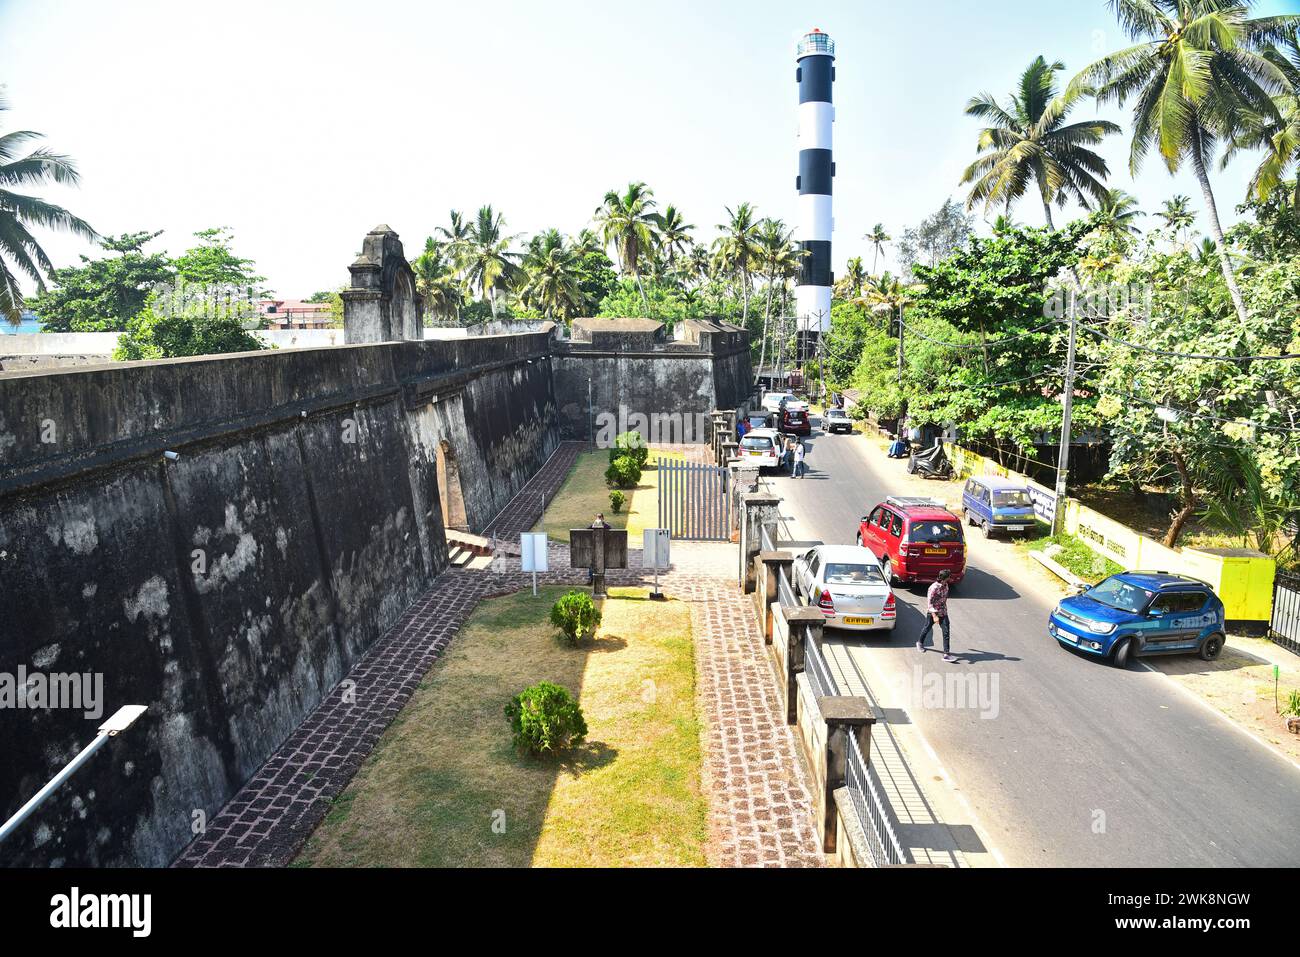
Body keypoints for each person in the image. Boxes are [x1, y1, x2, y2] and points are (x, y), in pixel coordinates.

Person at [916, 568, 954, 662]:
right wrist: (934, 616)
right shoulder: (933, 588)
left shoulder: (946, 586)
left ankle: (946, 653)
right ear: (945, 578)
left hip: (943, 612)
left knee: (946, 632)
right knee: (927, 628)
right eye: (949, 576)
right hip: (933, 612)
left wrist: (943, 611)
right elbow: (930, 603)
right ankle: (920, 642)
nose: (950, 578)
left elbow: (944, 599)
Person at [587, 513, 610, 584]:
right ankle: (591, 578)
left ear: (603, 518)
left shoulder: (606, 526)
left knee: (602, 564)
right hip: (594, 548)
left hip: (603, 548)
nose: (599, 518)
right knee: (591, 564)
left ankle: (601, 578)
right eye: (598, 517)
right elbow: (586, 531)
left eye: (600, 517)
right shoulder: (593, 525)